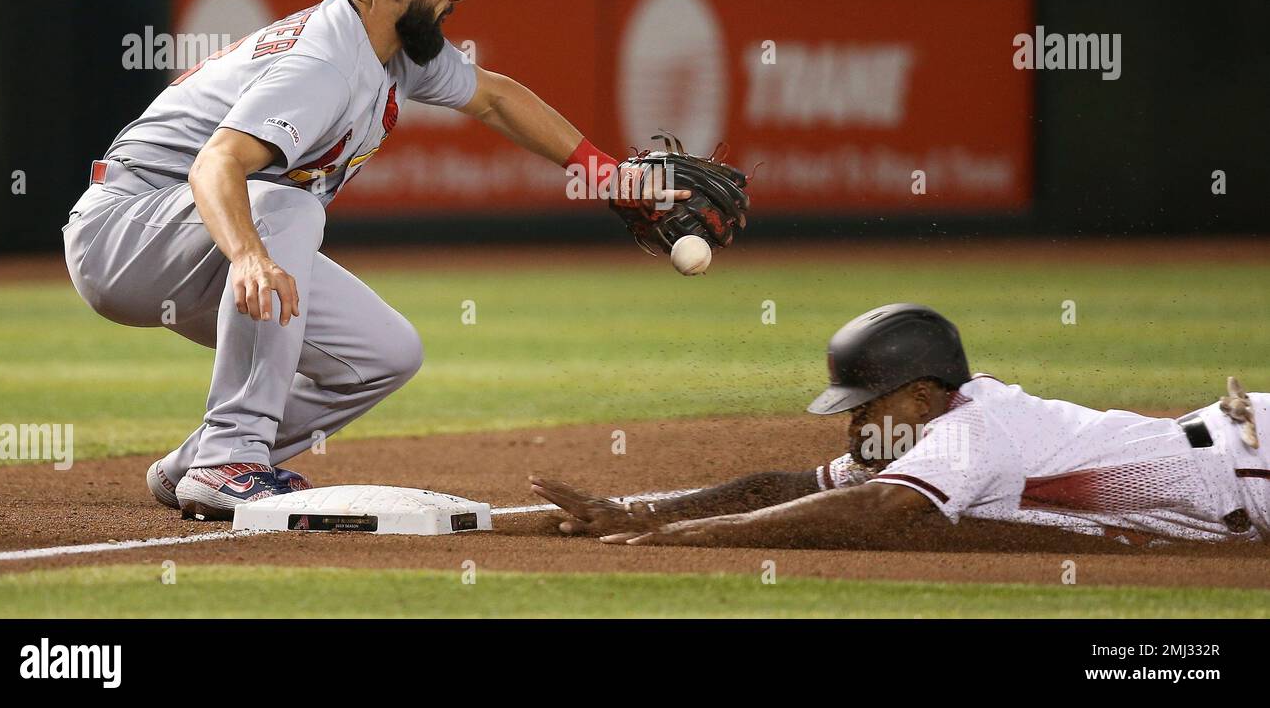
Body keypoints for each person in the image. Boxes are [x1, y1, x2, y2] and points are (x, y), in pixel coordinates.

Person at [62, 0, 671, 520]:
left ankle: (199, 462)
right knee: (290, 208)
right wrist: (246, 256)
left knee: (383, 354)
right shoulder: (323, 63)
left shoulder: (392, 48)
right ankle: (230, 459)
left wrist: (609, 176)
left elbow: (495, 98)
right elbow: (217, 163)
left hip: (196, 237)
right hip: (125, 232)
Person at [532, 303, 1269, 548]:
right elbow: (779, 487)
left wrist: (690, 538)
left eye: (864, 403)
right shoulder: (926, 428)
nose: (853, 421)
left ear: (918, 395)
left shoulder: (973, 432)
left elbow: (877, 510)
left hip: (1254, 462)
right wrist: (639, 511)